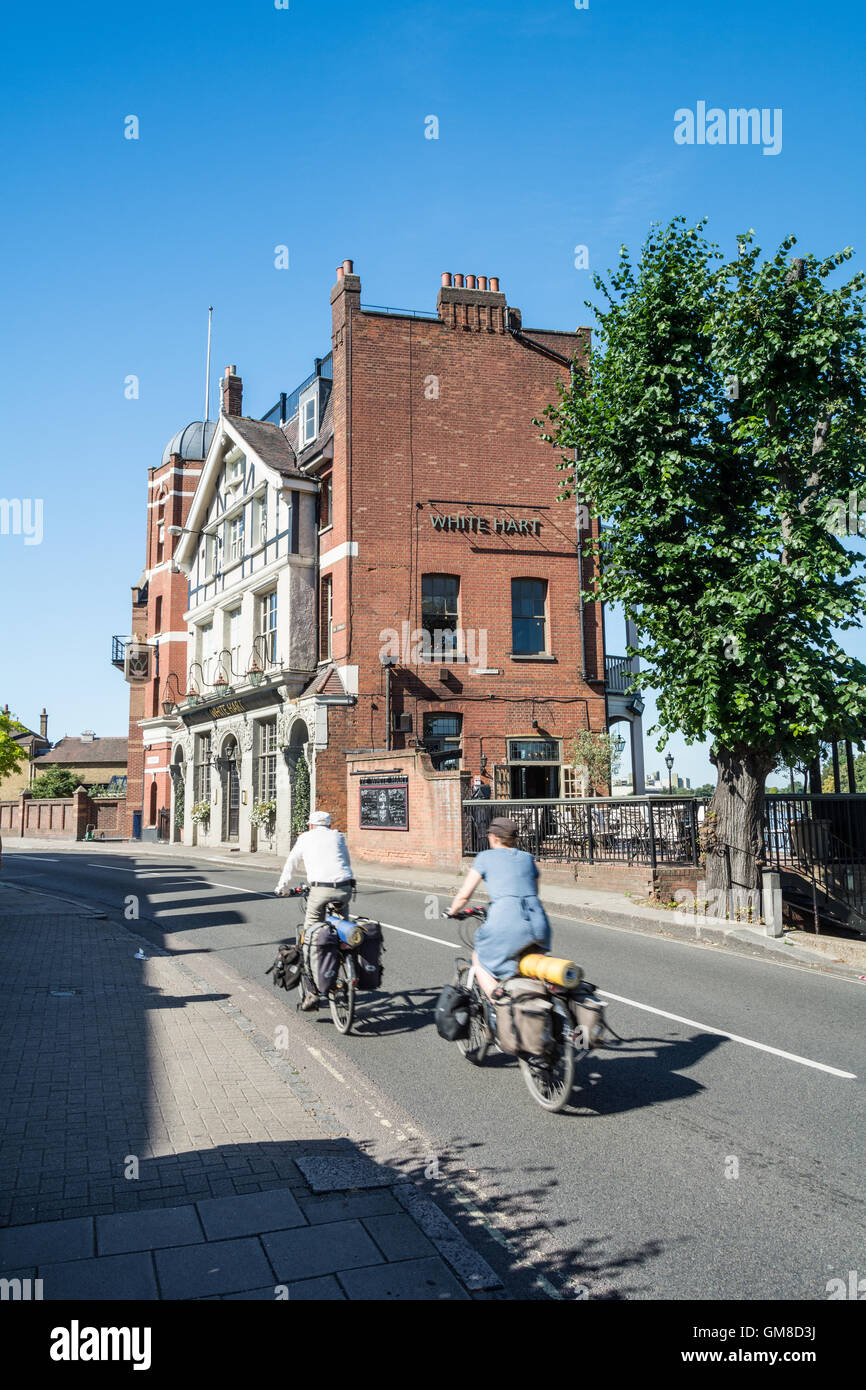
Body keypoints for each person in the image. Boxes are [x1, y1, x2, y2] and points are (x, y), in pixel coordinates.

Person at [447, 815, 551, 999]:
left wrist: (452, 911)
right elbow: (533, 891)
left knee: (479, 959)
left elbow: (464, 895)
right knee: (535, 969)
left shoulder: (485, 857)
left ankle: (499, 1007)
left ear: (493, 837)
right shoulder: (527, 857)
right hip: (538, 924)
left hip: (506, 923)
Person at [274, 810, 355, 1010]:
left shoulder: (305, 838)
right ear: (328, 824)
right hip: (345, 888)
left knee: (309, 938)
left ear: (311, 825)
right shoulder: (338, 836)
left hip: (320, 890)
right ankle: (345, 960)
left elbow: (291, 863)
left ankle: (311, 992)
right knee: (341, 929)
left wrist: (282, 888)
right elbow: (345, 861)